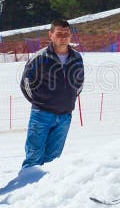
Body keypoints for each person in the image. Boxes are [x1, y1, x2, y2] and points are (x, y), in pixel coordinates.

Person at [20, 19, 84, 170]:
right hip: (41, 115)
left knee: (53, 161)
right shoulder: (40, 57)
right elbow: (26, 83)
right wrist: (40, 103)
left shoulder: (77, 57)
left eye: (66, 33)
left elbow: (79, 83)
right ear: (51, 35)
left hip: (64, 116)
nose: (63, 37)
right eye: (59, 33)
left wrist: (69, 100)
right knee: (34, 157)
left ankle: (47, 192)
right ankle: (26, 190)